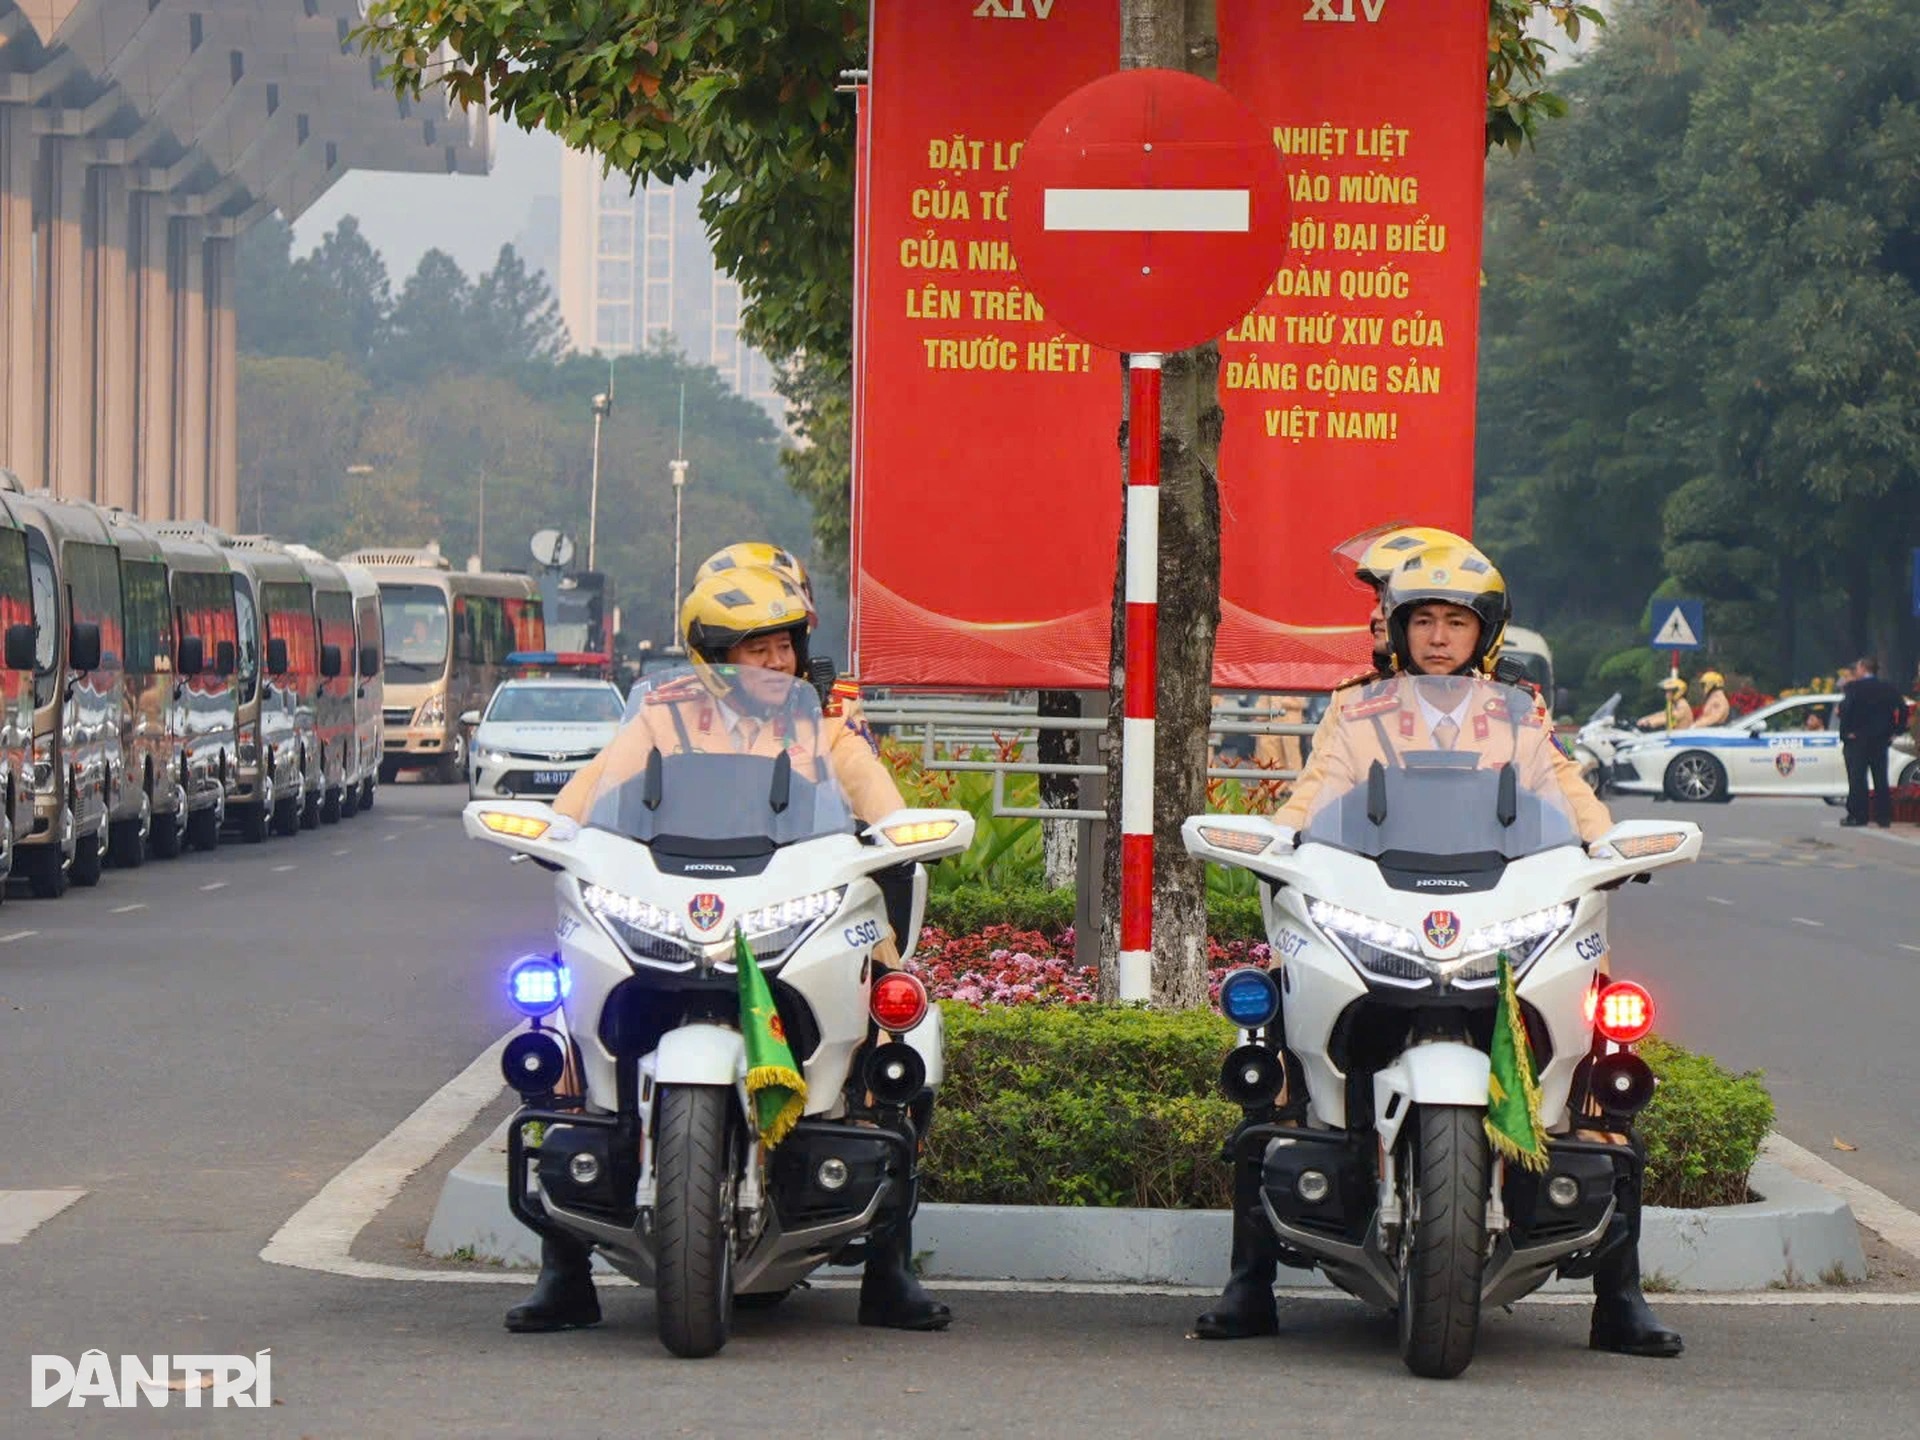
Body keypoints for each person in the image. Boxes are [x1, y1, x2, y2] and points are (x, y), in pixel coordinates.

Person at [1199, 547, 1681, 1359]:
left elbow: (1564, 793)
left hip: (1496, 910)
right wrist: (1276, 840)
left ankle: (1618, 1298)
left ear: (1482, 633)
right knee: (1273, 1062)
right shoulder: (1356, 712)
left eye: (1455, 622)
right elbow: (1319, 788)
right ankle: (1250, 1283)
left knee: (1605, 1083)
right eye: (1422, 620)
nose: (1437, 637)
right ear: (1396, 629)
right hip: (1384, 904)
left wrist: (1609, 848)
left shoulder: (1520, 715)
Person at [510, 565, 952, 1337]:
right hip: (676, 914)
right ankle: (564, 1272)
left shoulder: (826, 730)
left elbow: (886, 812)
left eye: (783, 646)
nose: (777, 663)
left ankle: (891, 1272)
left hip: (794, 916)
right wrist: (553, 834)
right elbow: (582, 804)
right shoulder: (660, 722)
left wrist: (903, 837)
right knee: (553, 1041)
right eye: (757, 649)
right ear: (713, 659)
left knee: (900, 1029)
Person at [1839, 656, 1908, 829]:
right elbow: (1903, 708)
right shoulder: (1887, 687)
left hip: (1858, 740)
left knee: (1857, 780)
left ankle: (1857, 816)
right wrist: (1896, 731)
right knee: (1880, 779)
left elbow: (1846, 710)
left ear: (1862, 668)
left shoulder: (1854, 687)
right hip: (1881, 740)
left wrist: (1846, 733)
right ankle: (1883, 817)